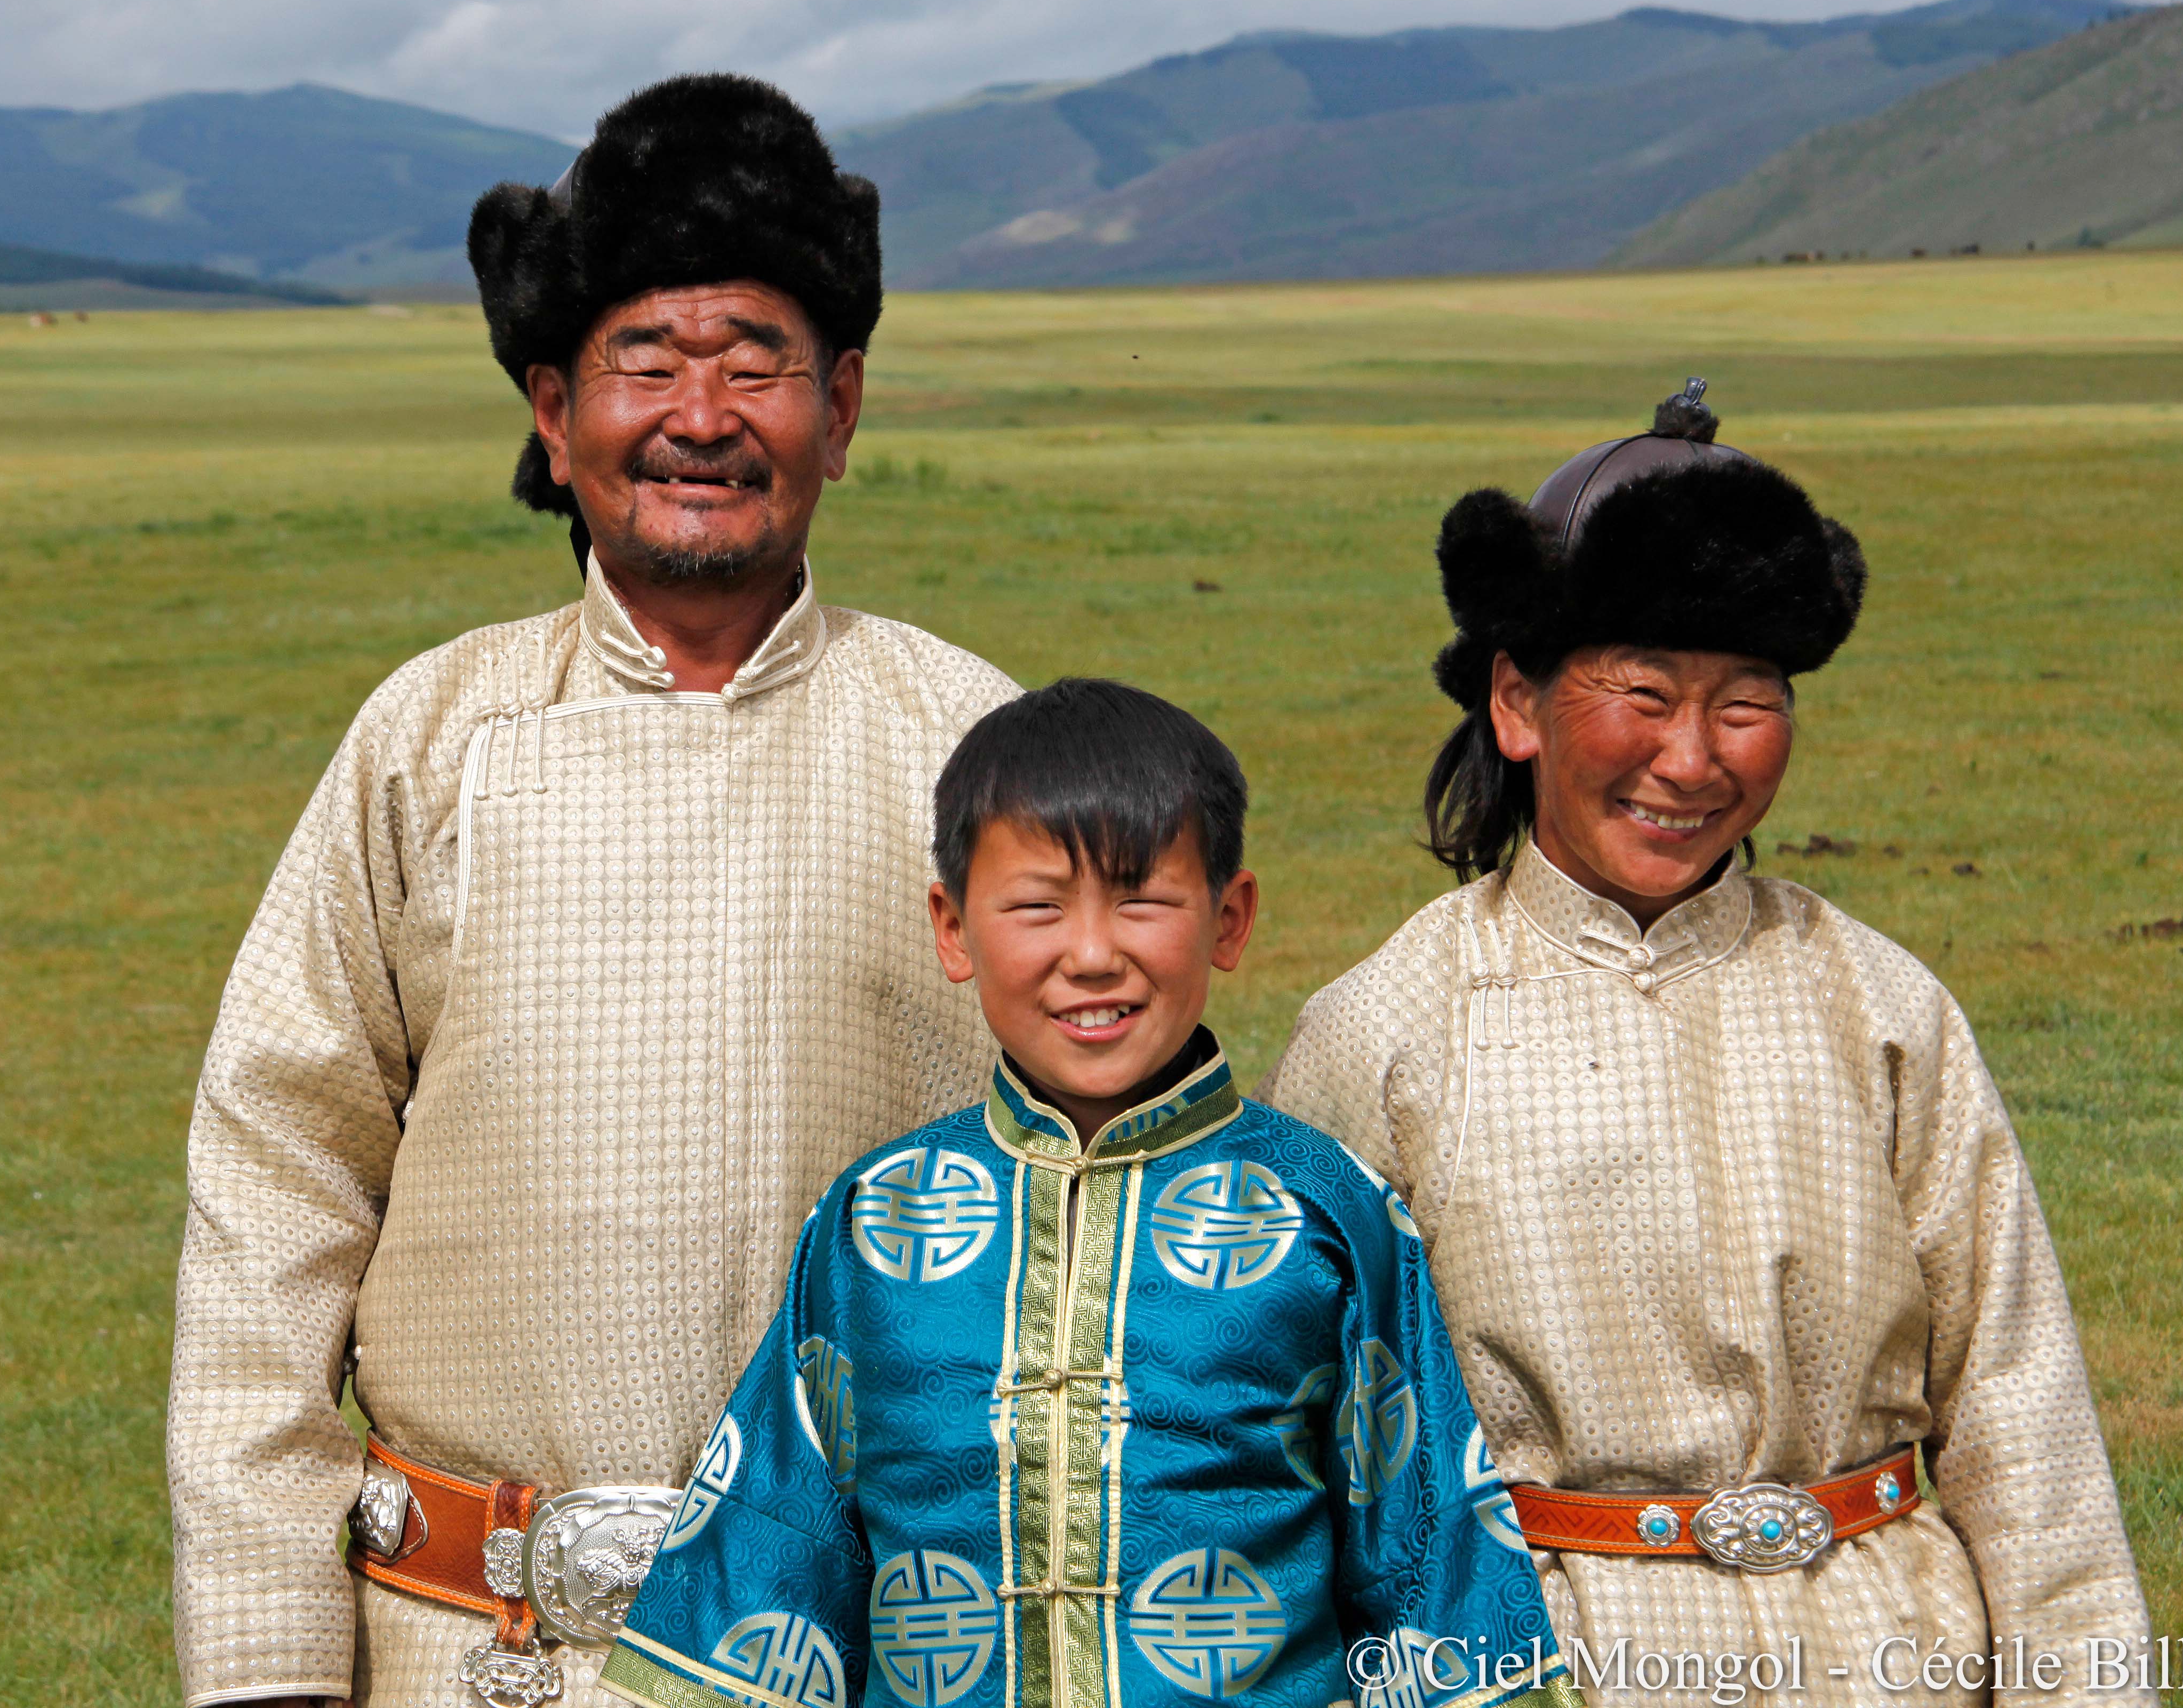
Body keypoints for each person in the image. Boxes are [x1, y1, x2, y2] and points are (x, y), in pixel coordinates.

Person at [167, 75, 1020, 1708]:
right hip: (468, 1657)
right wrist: (269, 1664)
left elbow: (1107, 1200)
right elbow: (273, 1202)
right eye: (649, 358)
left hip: (882, 1658)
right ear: (555, 417)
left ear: (841, 409)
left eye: (754, 359)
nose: (702, 414)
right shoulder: (428, 742)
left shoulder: (974, 747)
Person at [1260, 385, 2154, 1707]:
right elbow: (1308, 1449)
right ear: (1518, 703)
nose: (1692, 759)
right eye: (1643, 694)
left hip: (1898, 1655)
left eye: (1745, 704)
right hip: (1555, 1666)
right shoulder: (1385, 1029)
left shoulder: (1882, 1006)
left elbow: (2020, 1410)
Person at [603, 681, 1576, 1708]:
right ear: (953, 929)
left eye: (1143, 898)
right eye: (1036, 906)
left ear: (1230, 918)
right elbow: (776, 1553)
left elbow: (1427, 1558)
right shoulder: (869, 1223)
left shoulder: (1330, 1214)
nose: (1093, 954)